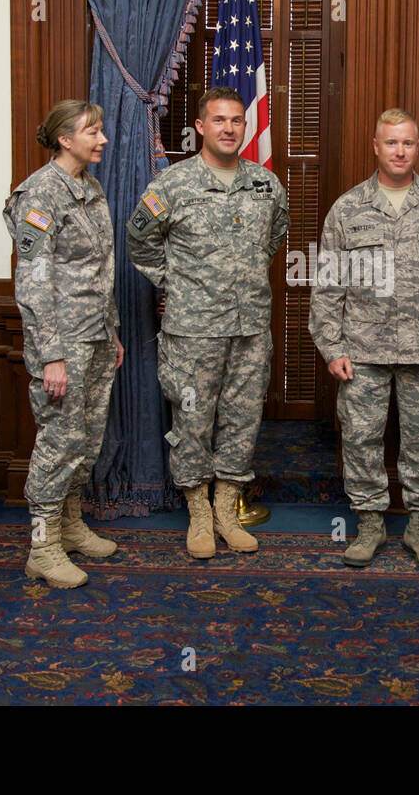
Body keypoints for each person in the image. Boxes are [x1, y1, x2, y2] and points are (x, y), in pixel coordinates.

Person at [309, 109, 419, 571]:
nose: (400, 151)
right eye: (391, 143)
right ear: (375, 146)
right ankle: (369, 522)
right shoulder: (348, 208)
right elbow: (327, 285)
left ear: (416, 147)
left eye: (408, 143)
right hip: (362, 350)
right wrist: (332, 348)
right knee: (361, 437)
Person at [126, 87, 289, 559]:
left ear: (245, 126)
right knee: (193, 422)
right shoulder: (171, 186)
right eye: (218, 120)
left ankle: (225, 509)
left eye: (236, 121)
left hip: (251, 327)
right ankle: (197, 514)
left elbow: (275, 236)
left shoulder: (265, 184)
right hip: (192, 329)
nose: (228, 128)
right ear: (200, 127)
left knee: (242, 421)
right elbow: (140, 241)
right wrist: (174, 281)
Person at [4, 100, 125, 588]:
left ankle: (71, 526)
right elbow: (33, 281)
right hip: (63, 343)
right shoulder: (39, 194)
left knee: (86, 440)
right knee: (57, 443)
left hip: (95, 336)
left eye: (100, 129)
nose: (102, 139)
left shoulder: (89, 187)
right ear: (64, 139)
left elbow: (100, 269)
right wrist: (50, 354)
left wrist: (111, 330)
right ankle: (42, 545)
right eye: (91, 131)